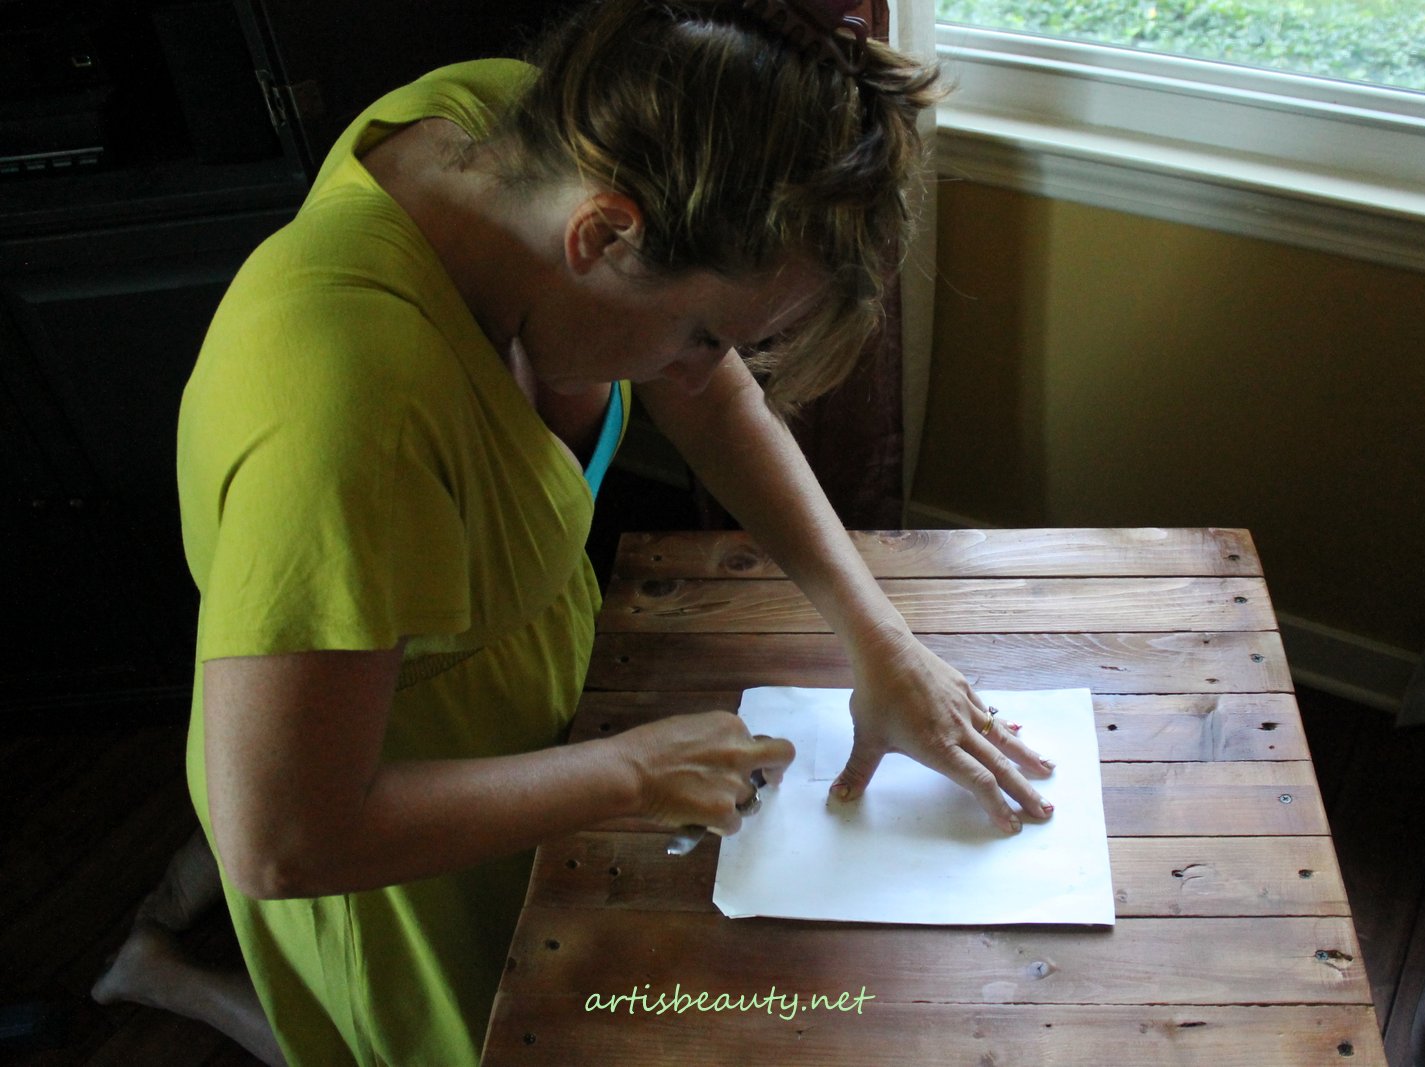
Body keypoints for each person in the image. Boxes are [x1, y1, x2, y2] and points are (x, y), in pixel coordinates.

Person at [94, 0, 1056, 1062]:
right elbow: (283, 837)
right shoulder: (345, 414)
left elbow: (712, 396)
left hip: (517, 722)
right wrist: (631, 774)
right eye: (702, 331)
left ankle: (163, 967)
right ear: (601, 233)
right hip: (384, 825)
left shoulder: (526, 131)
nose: (707, 367)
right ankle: (172, 978)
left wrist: (880, 639)